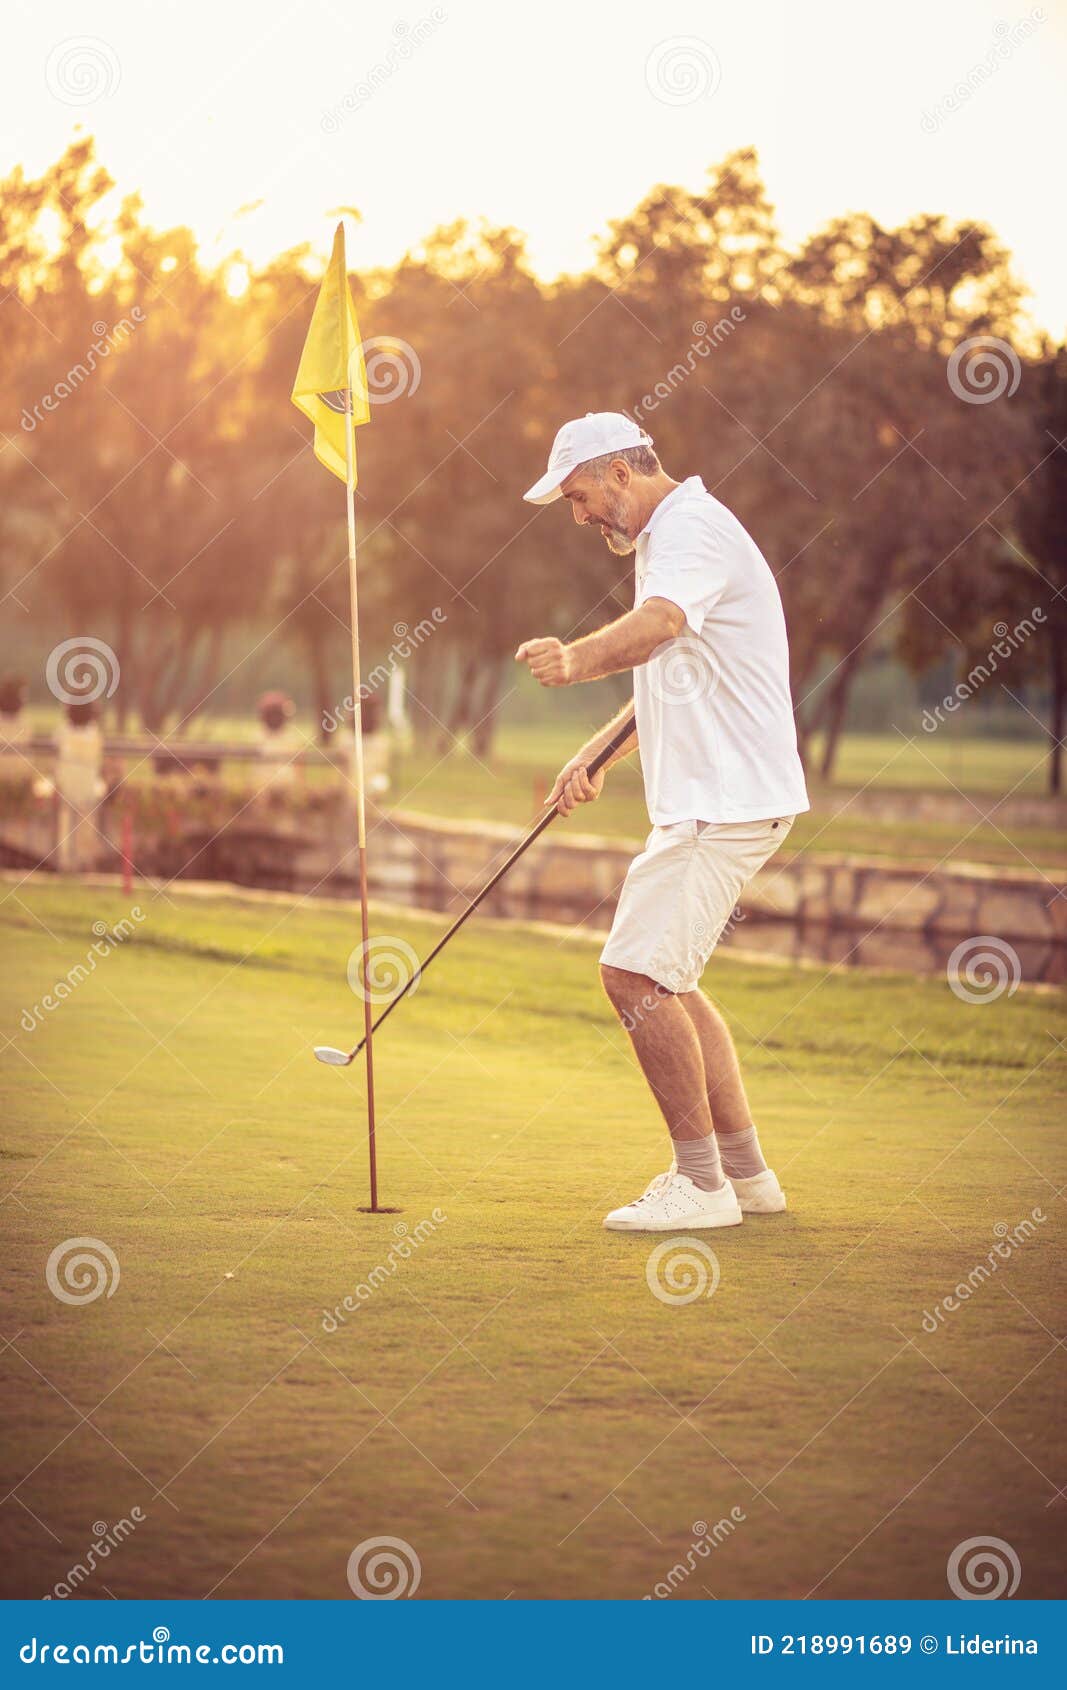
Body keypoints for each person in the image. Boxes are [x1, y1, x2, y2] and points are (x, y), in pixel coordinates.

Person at [517, 413, 809, 1233]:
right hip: (718, 800)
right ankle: (745, 1177)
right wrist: (596, 757)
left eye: (579, 498)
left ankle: (700, 1186)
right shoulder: (668, 538)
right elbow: (673, 668)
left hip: (721, 803)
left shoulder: (688, 531)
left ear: (618, 473)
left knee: (631, 977)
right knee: (668, 981)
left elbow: (659, 629)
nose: (579, 517)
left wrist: (573, 659)